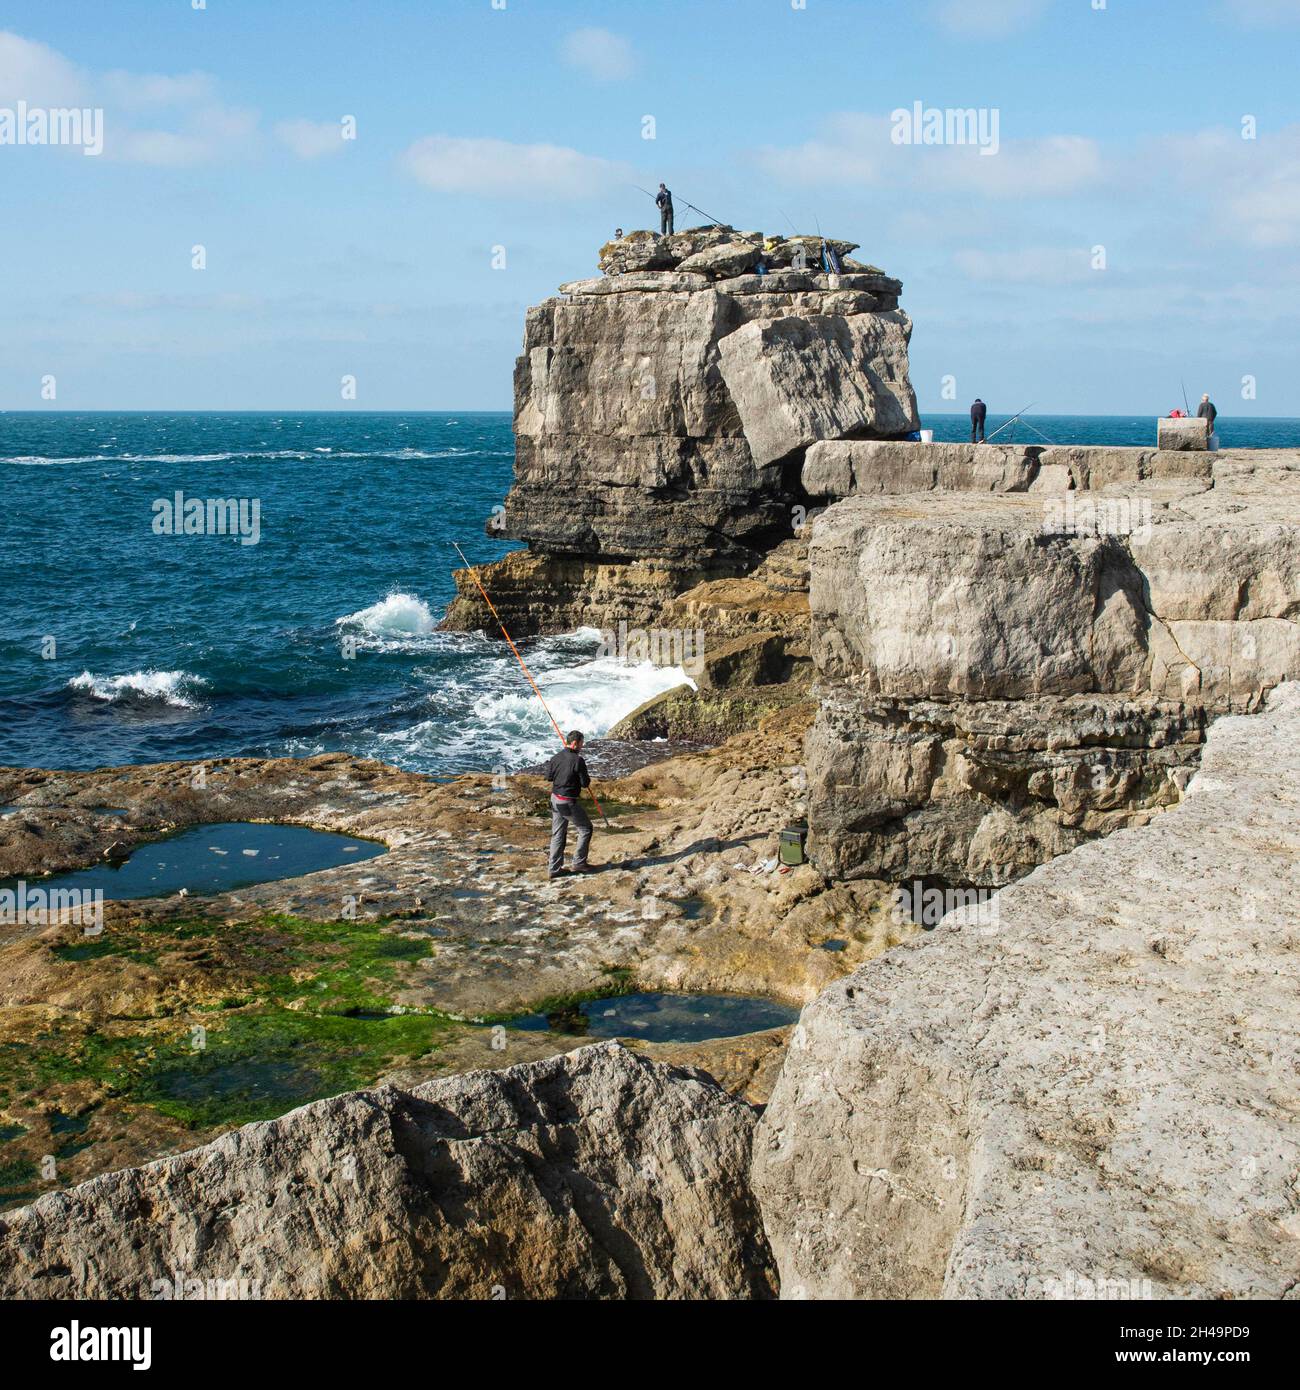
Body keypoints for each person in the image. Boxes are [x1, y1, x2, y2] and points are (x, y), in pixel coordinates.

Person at [545, 730, 593, 879]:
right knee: (586, 828)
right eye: (581, 744)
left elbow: (548, 777)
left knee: (558, 834)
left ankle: (554, 869)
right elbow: (585, 783)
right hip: (567, 802)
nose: (582, 747)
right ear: (574, 743)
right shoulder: (578, 760)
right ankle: (578, 863)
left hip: (554, 799)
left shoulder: (556, 757)